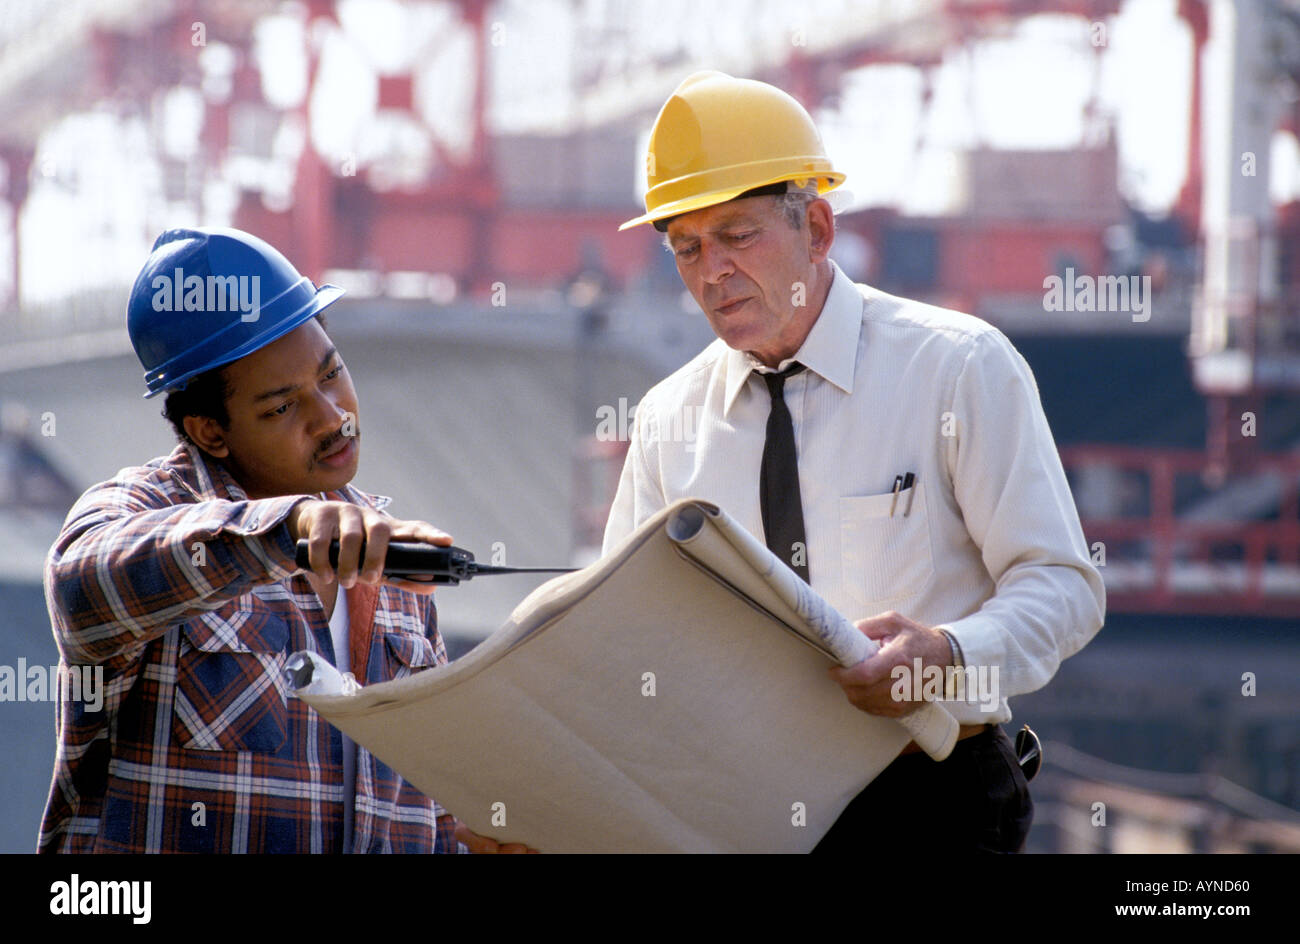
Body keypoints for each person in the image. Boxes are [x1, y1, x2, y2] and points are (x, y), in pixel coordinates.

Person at [604, 72, 1106, 853]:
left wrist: (943, 657)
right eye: (687, 248)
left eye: (738, 235)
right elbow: (625, 639)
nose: (712, 272)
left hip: (930, 808)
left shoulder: (958, 368)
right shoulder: (668, 421)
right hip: (741, 813)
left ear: (819, 229)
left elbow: (1064, 588)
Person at [38, 227, 520, 853]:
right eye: (282, 408)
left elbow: (424, 813)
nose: (332, 415)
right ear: (209, 431)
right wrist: (287, 529)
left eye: (331, 373)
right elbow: (86, 581)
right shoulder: (144, 513)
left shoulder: (392, 567)